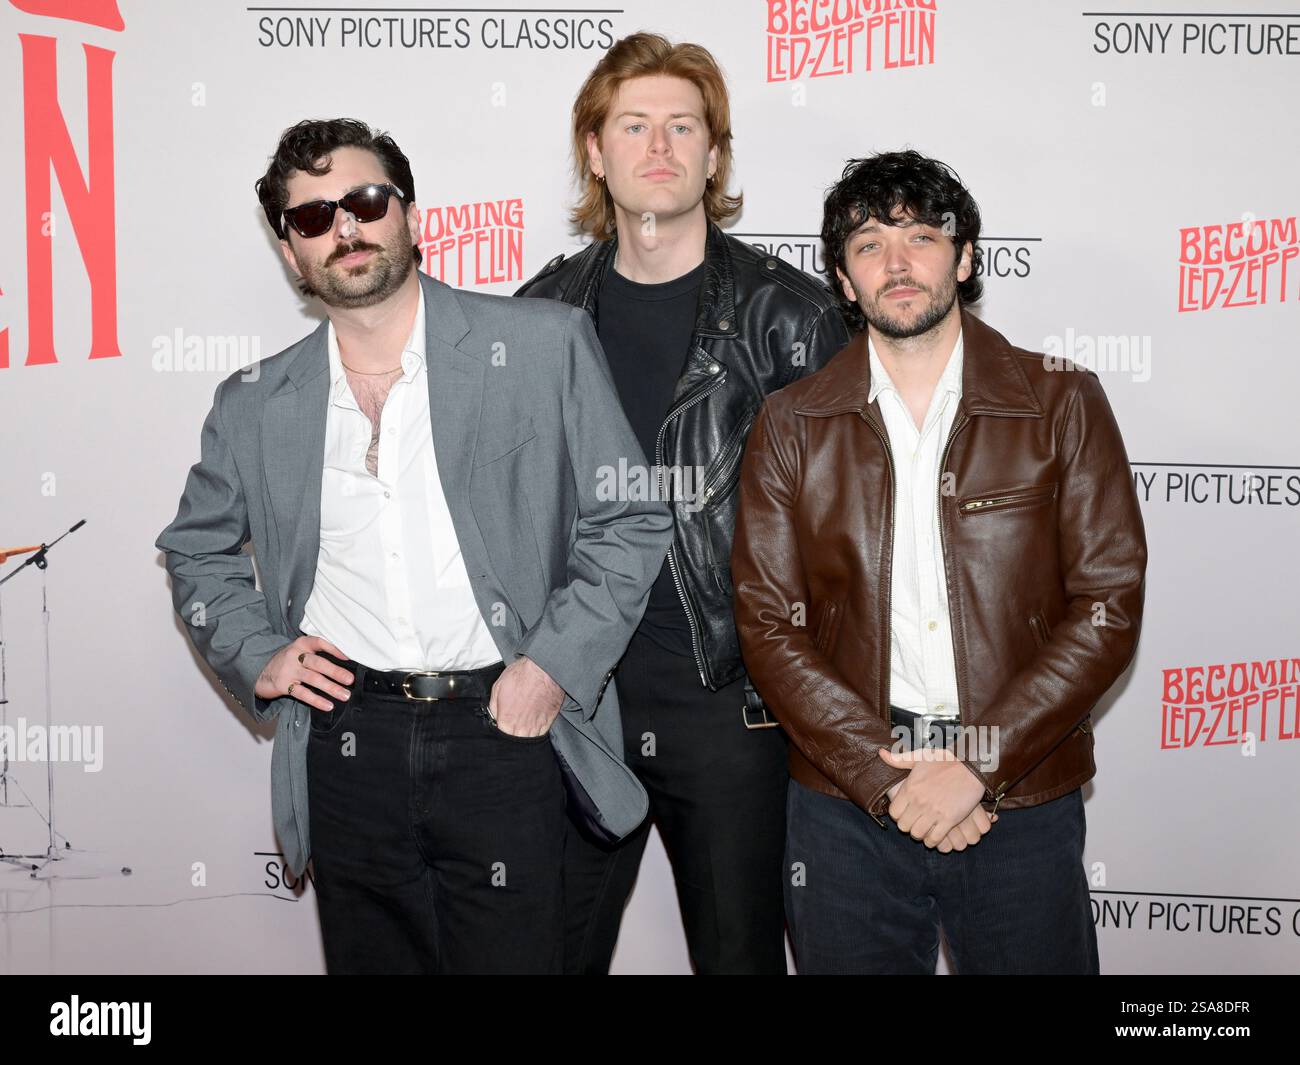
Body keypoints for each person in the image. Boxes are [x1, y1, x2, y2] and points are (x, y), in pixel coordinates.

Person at [155, 118, 672, 974]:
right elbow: (195, 548)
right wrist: (260, 653)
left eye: (363, 201)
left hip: (506, 730)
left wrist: (550, 667)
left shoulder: (540, 348)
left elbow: (631, 518)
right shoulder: (254, 402)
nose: (344, 230)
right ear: (291, 253)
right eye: (312, 218)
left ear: (412, 216)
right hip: (347, 740)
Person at [731, 149, 1147, 974]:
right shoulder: (790, 423)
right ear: (844, 283)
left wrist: (976, 764)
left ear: (963, 258)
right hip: (847, 803)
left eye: (921, 237)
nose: (897, 263)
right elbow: (769, 625)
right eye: (868, 245)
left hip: (1020, 790)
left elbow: (1107, 603)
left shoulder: (1059, 398)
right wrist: (886, 780)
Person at [515, 32, 851, 974]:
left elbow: (849, 536)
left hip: (729, 704)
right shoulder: (539, 316)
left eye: (682, 126)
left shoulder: (793, 318)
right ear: (595, 150)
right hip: (576, 695)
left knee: (739, 958)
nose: (658, 146)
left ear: (713, 153)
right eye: (633, 125)